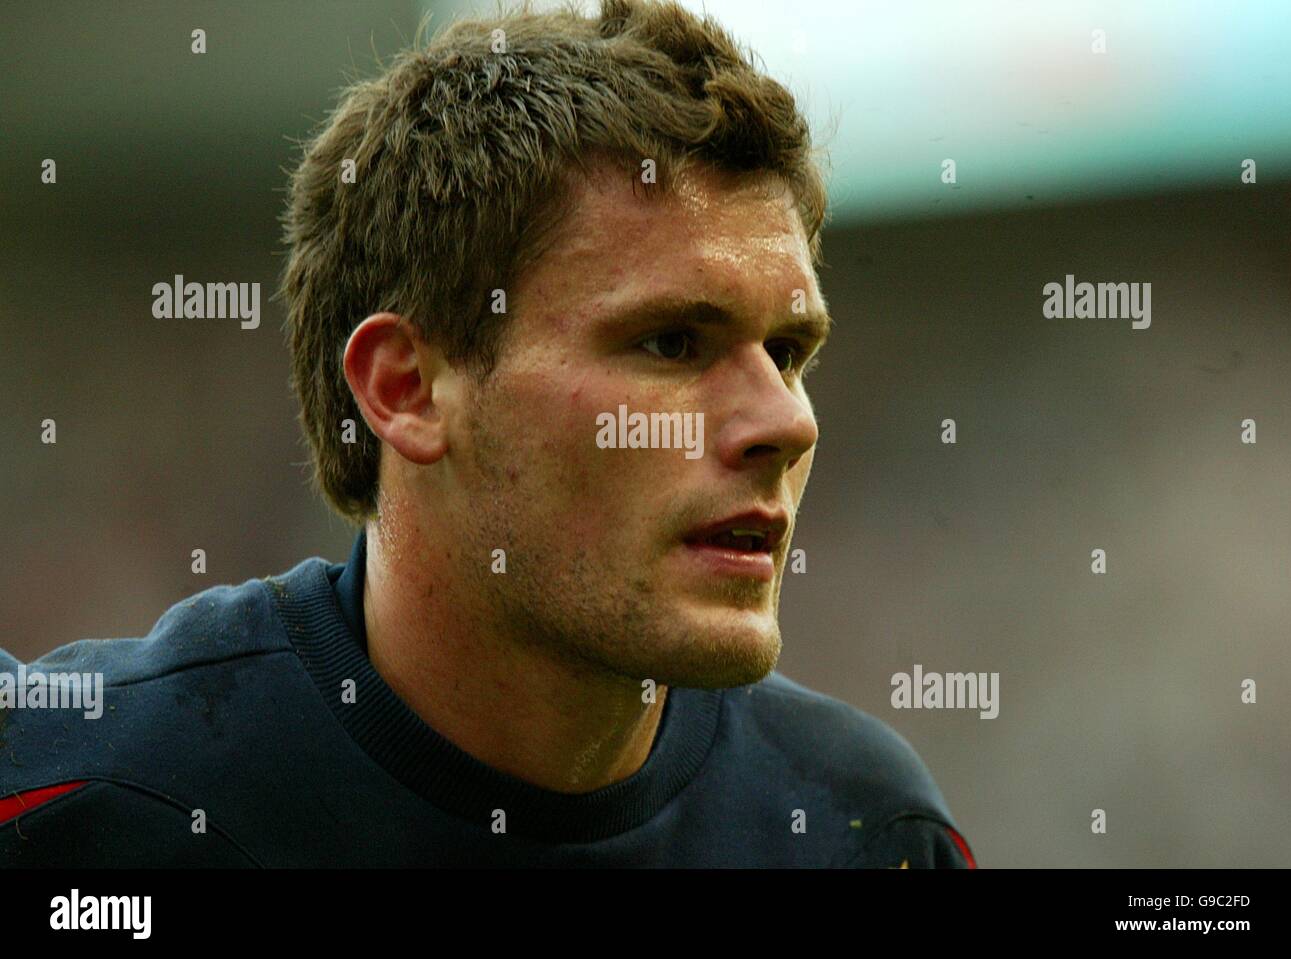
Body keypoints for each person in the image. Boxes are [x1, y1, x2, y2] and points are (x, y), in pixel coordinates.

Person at [0, 0, 974, 868]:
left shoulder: (864, 828)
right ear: (409, 389)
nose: (787, 419)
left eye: (790, 350)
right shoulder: (76, 798)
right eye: (673, 341)